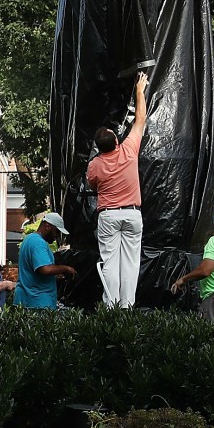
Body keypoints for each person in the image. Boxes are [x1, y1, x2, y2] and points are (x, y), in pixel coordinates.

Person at [87, 71, 149, 307]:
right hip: (132, 213)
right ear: (115, 141)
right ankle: (126, 306)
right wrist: (139, 91)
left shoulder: (95, 165)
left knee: (111, 261)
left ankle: (111, 305)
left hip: (109, 215)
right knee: (131, 262)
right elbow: (140, 119)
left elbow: (92, 185)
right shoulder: (128, 150)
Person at [14, 213, 77, 309]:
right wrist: (67, 268)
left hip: (27, 299)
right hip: (38, 302)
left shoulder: (29, 239)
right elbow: (45, 269)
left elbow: (33, 272)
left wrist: (56, 276)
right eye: (57, 231)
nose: (57, 236)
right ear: (47, 226)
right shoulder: (38, 243)